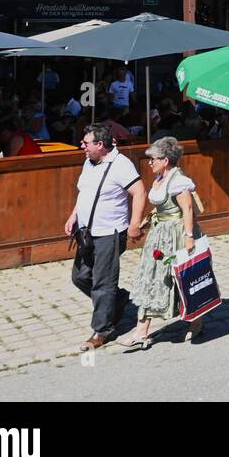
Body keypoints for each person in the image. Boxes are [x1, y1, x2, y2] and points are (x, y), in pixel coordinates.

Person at [118, 137, 206, 349]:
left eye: (153, 159)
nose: (149, 163)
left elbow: (187, 209)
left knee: (183, 277)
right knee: (151, 277)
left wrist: (188, 236)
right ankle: (141, 331)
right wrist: (145, 223)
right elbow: (161, 207)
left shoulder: (178, 180)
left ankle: (196, 320)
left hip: (176, 234)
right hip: (159, 235)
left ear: (165, 160)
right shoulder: (159, 178)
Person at [65, 123, 145, 350]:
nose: (82, 145)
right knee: (80, 276)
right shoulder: (89, 162)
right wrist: (73, 216)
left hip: (109, 233)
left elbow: (139, 192)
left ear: (100, 145)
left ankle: (103, 330)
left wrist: (134, 224)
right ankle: (117, 300)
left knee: (103, 282)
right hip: (86, 232)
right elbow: (85, 194)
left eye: (86, 142)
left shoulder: (121, 165)